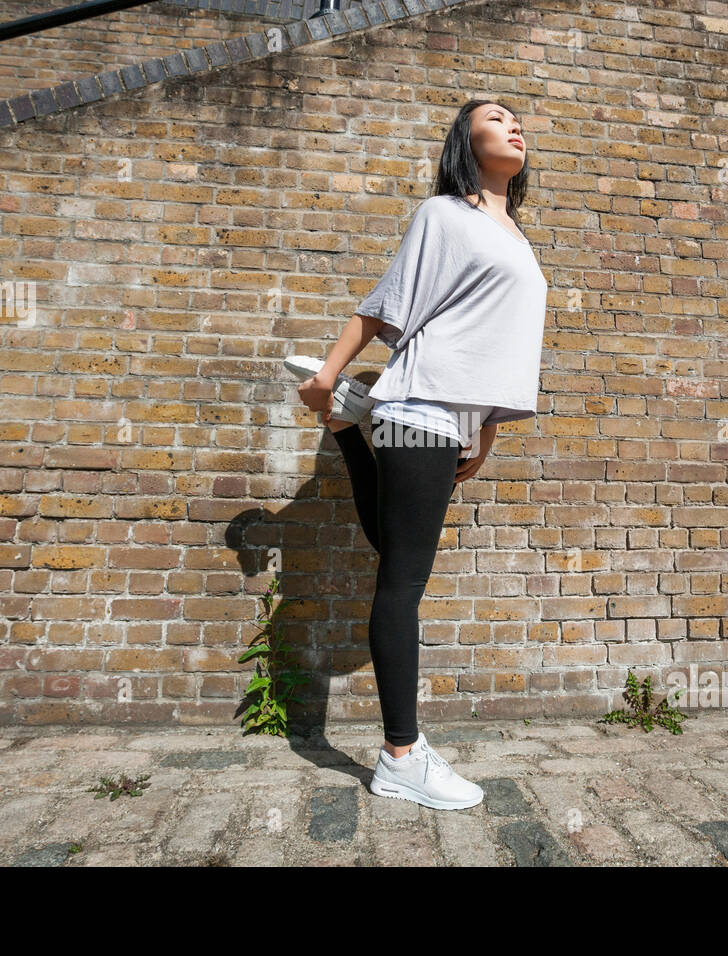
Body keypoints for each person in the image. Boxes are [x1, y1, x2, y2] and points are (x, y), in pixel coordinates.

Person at [287, 99, 548, 810]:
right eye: (496, 118)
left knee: (395, 549)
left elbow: (496, 341)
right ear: (466, 139)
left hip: (452, 414)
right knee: (402, 581)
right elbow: (385, 303)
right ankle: (400, 755)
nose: (515, 126)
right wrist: (329, 373)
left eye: (519, 119)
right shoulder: (444, 216)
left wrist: (487, 428)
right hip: (419, 404)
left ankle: (346, 431)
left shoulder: (514, 235)